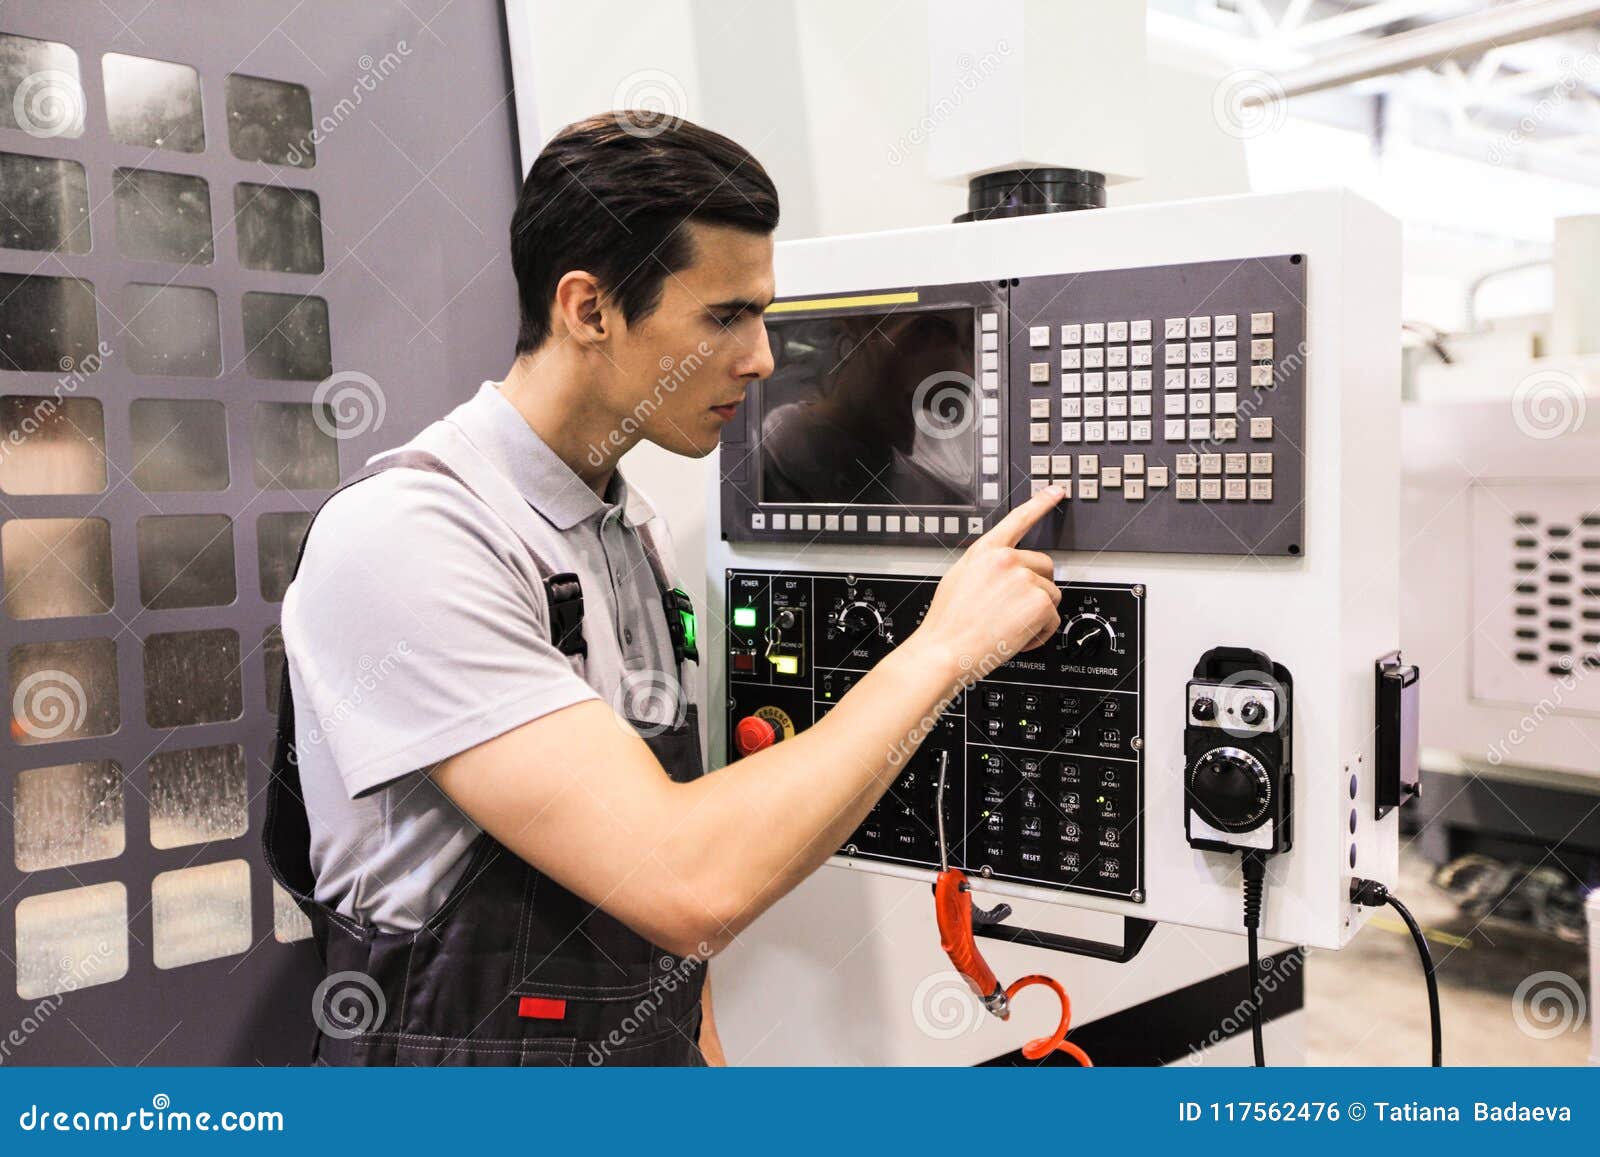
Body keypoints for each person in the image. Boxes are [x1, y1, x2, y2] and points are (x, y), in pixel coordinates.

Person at [267, 111, 1065, 1067]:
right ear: (589, 310)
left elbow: (672, 901)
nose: (764, 356)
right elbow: (687, 880)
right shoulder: (412, 538)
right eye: (725, 316)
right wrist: (944, 649)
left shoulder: (627, 533)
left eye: (762, 313)